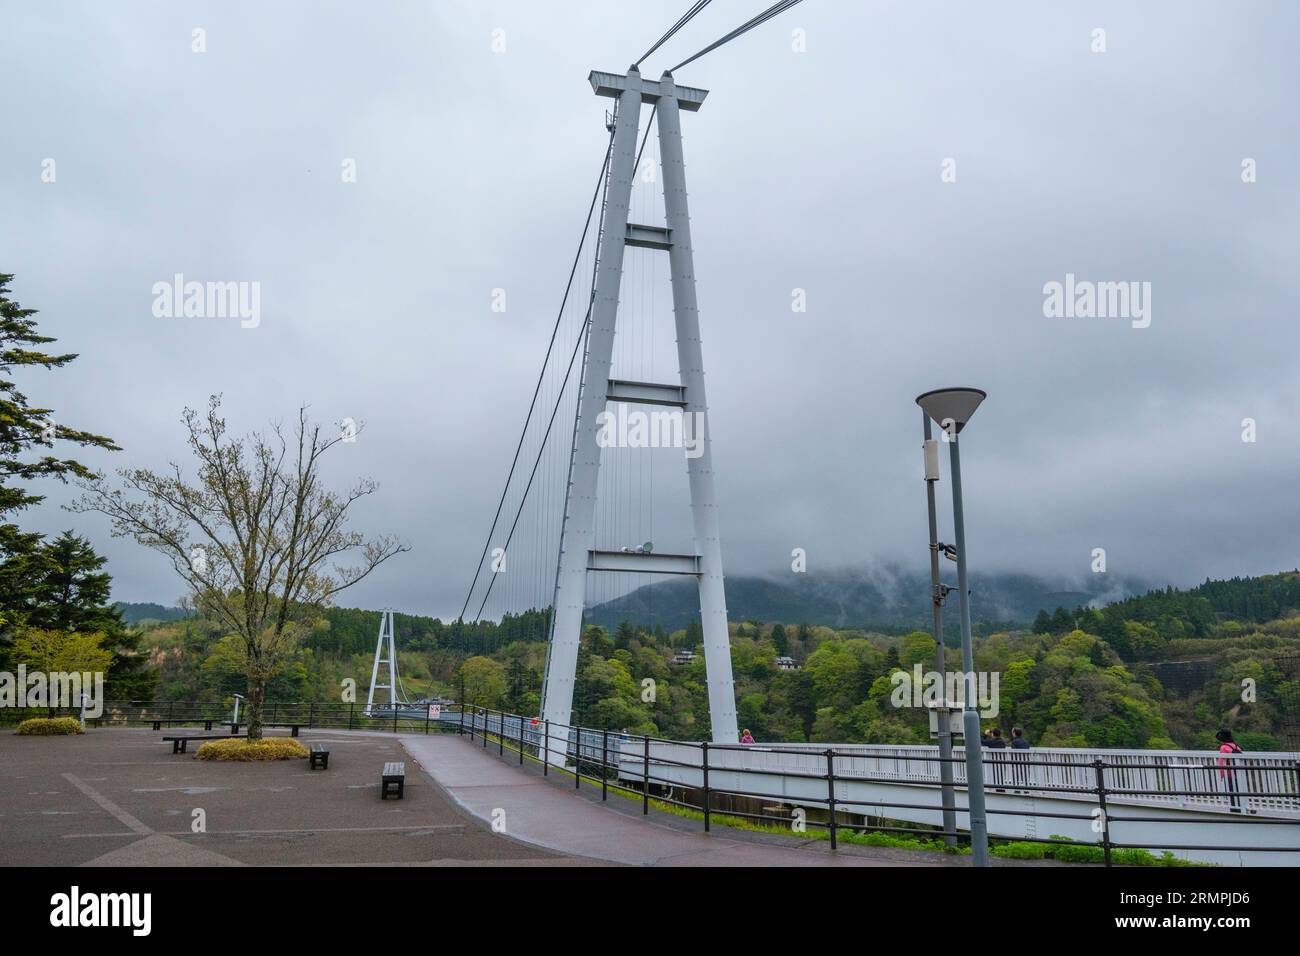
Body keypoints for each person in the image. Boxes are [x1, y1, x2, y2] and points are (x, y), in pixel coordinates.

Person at [1216, 729, 1244, 812]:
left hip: (1229, 773)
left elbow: (1221, 762)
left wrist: (1221, 775)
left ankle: (1234, 808)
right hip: (1238, 772)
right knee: (1238, 790)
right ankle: (1240, 806)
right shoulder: (1235, 746)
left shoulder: (1223, 747)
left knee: (1231, 791)